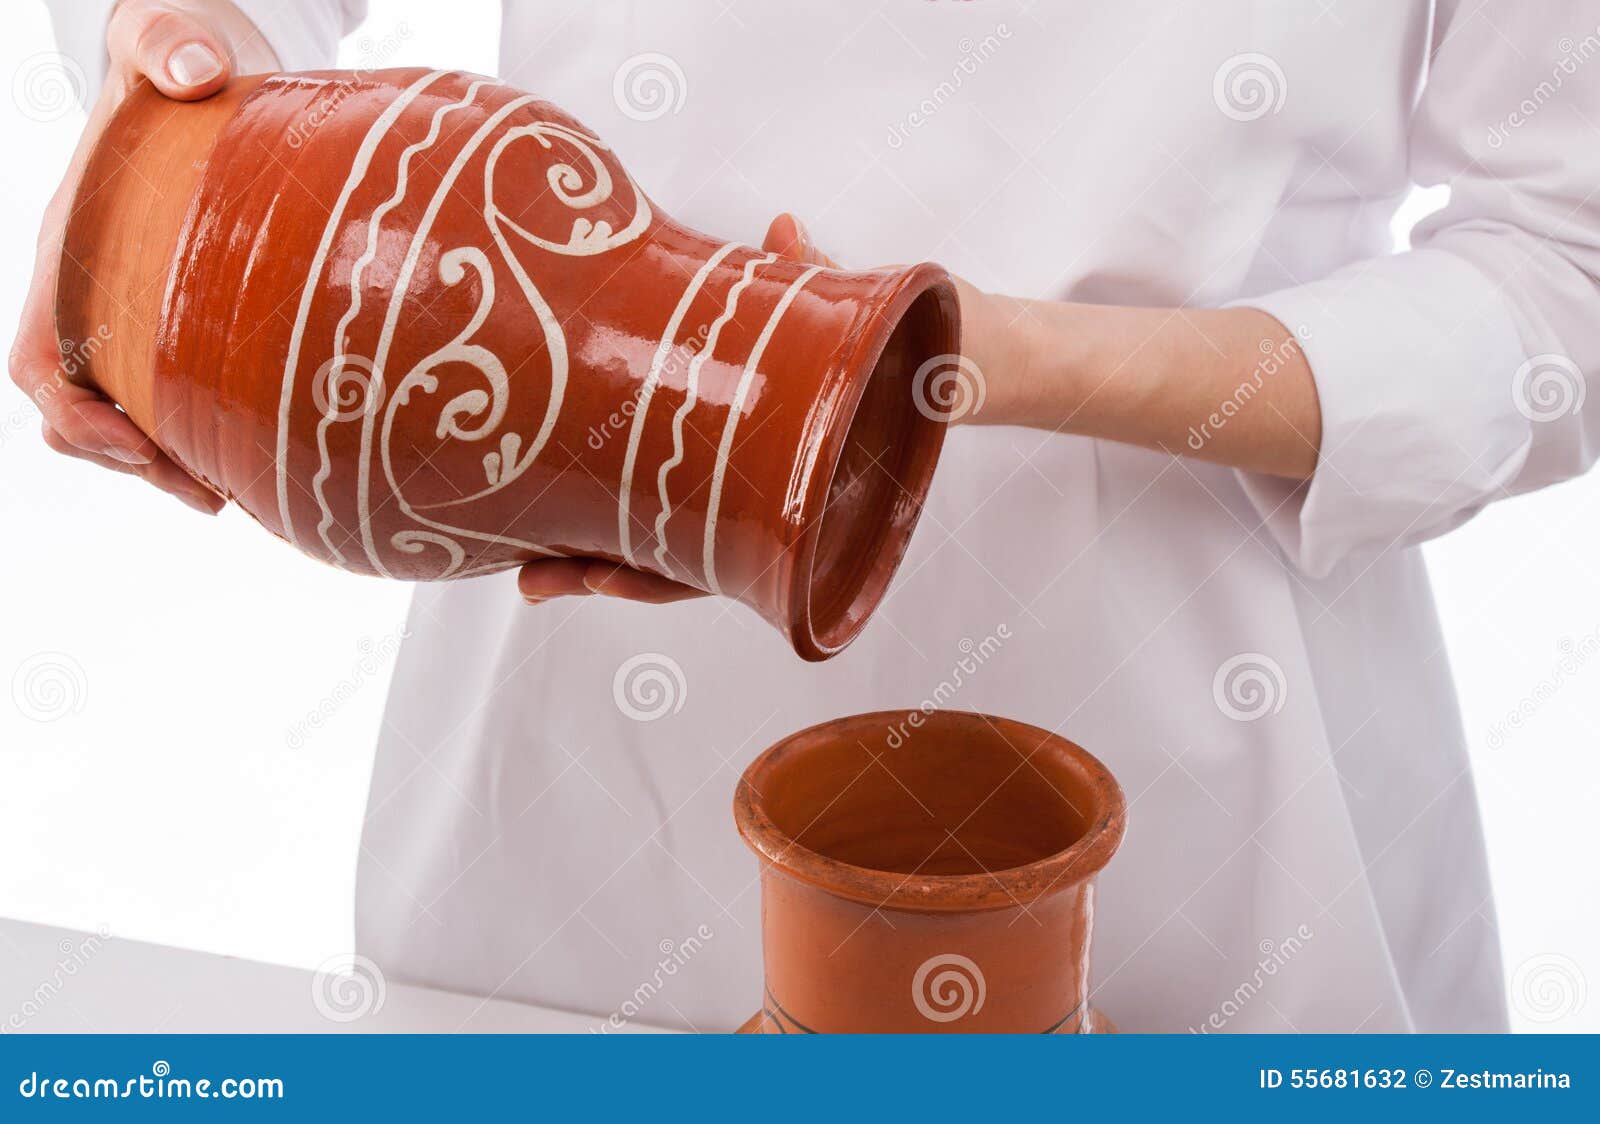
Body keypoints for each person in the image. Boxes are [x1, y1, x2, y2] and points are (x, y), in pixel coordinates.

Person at [19, 0, 1600, 1032]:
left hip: (1213, 789)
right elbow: (211, 21)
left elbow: (1567, 273)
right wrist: (170, 108)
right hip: (578, 765)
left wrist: (976, 357)